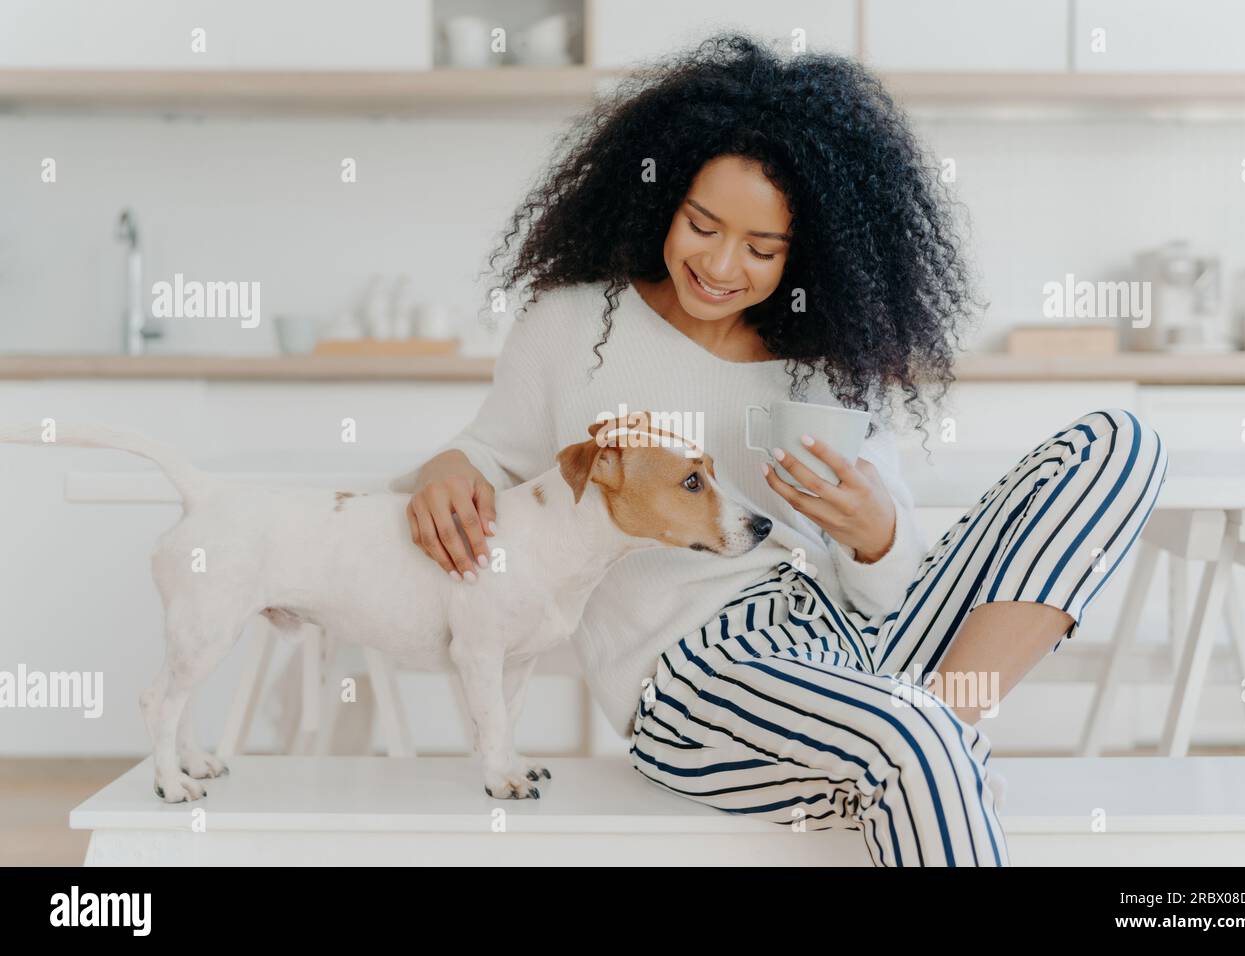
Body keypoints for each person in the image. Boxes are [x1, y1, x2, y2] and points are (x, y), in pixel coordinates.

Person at [402, 34, 1168, 866]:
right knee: (911, 740)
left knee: (1119, 445)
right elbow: (492, 455)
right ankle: (922, 742)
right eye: (702, 225)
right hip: (698, 678)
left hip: (854, 649)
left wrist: (872, 534)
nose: (721, 264)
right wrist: (446, 467)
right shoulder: (575, 325)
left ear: (810, 254)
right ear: (663, 197)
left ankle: (933, 728)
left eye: (763, 250)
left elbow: (887, 588)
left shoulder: (827, 365)